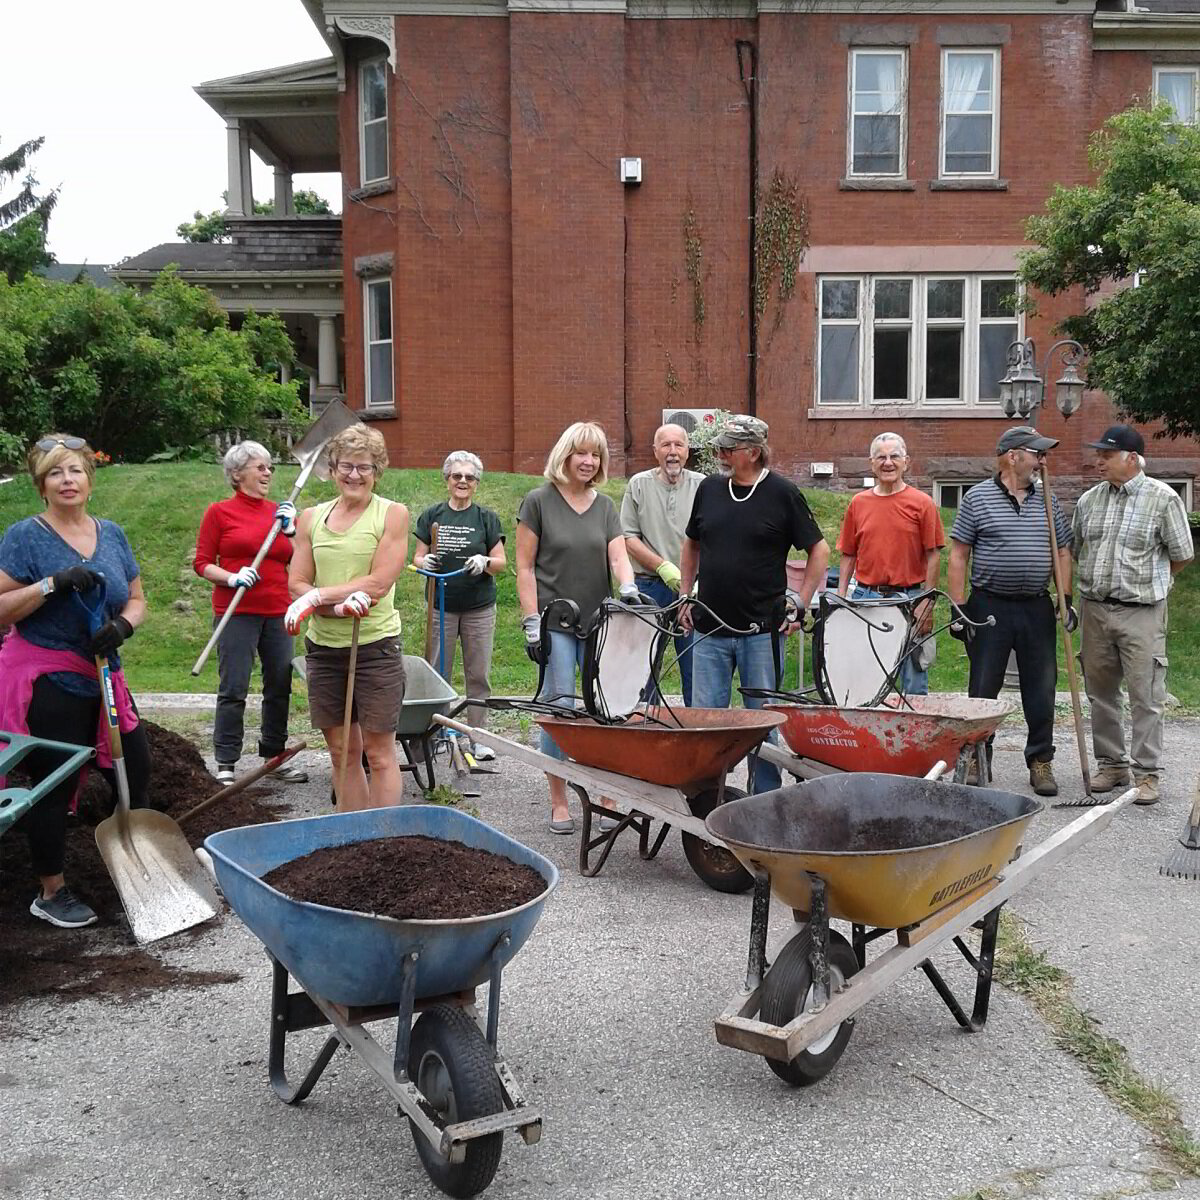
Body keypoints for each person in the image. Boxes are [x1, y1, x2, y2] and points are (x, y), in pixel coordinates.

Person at [0, 435, 150, 929]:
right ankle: (51, 890)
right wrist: (51, 585)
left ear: (89, 477)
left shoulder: (112, 533)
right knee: (54, 778)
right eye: (56, 473)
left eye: (75, 471)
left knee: (135, 767)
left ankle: (141, 866)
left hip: (103, 669)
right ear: (41, 484)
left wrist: (123, 625)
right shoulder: (26, 535)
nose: (68, 481)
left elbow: (136, 599)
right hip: (48, 670)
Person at [679, 415, 829, 794]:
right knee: (705, 723)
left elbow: (819, 549)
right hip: (709, 628)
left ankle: (763, 801)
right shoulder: (710, 489)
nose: (721, 453)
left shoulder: (782, 493)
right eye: (721, 446)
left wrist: (801, 602)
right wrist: (685, 594)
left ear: (754, 452)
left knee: (761, 723)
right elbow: (691, 544)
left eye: (729, 447)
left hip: (762, 631)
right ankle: (705, 797)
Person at [516, 421, 640, 833]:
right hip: (556, 621)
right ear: (565, 455)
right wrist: (531, 622)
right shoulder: (538, 502)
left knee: (607, 707)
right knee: (561, 705)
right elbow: (524, 567)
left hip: (598, 620)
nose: (589, 462)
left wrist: (628, 587)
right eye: (582, 453)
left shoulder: (605, 506)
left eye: (596, 455)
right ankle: (559, 800)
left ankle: (604, 794)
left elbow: (619, 557)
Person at [285, 423, 409, 811]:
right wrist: (335, 608)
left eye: (364, 467)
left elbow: (378, 582)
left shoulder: (391, 514)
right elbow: (296, 582)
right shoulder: (311, 518)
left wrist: (318, 598)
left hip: (375, 648)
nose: (354, 475)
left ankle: (385, 840)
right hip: (324, 650)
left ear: (377, 471)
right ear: (333, 468)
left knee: (379, 753)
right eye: (346, 466)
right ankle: (351, 837)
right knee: (341, 751)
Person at [947, 427, 1073, 796]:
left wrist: (1065, 597)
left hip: (1036, 606)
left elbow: (1062, 552)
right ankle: (975, 754)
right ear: (1013, 456)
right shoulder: (977, 498)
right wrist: (958, 608)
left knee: (1042, 687)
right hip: (989, 606)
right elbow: (958, 554)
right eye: (1038, 454)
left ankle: (1040, 760)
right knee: (984, 686)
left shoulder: (1048, 499)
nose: (1043, 460)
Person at [1072, 424, 1194, 806]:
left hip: (1141, 612)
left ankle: (1147, 774)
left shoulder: (1163, 499)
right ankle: (1112, 765)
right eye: (1099, 455)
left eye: (1106, 456)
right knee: (1101, 693)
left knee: (1147, 695)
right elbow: (1077, 549)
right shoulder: (1089, 501)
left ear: (1131, 458)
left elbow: (1182, 554)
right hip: (1095, 609)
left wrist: (1151, 585)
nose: (1098, 462)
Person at [193, 440, 308, 786]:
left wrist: (292, 531)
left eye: (269, 467)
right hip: (236, 610)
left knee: (279, 685)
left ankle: (274, 756)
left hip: (278, 611)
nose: (268, 472)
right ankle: (226, 761)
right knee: (234, 686)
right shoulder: (219, 512)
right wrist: (231, 576)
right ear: (237, 472)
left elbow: (299, 562)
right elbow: (202, 564)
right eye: (261, 467)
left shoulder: (279, 513)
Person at [413, 451, 507, 759]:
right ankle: (435, 732)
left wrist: (485, 561)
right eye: (457, 476)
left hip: (478, 608)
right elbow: (417, 556)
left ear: (477, 482)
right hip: (441, 606)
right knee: (438, 671)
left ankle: (477, 737)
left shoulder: (486, 518)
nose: (463, 481)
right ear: (447, 480)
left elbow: (501, 563)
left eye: (469, 477)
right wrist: (423, 560)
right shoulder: (433, 515)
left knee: (477, 674)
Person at [835, 432, 945, 694]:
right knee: (864, 676)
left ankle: (915, 731)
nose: (888, 463)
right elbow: (848, 554)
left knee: (913, 679)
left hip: (910, 599)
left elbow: (933, 555)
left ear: (906, 462)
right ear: (871, 463)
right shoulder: (858, 503)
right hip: (866, 597)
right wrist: (841, 597)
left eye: (894, 456)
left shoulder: (922, 504)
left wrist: (926, 603)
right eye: (881, 457)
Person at [620, 423, 703, 705]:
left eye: (678, 445)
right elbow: (628, 536)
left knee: (694, 661)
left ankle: (697, 729)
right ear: (655, 451)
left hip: (692, 591)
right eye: (665, 445)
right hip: (649, 585)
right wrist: (662, 567)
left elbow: (714, 536)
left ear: (687, 451)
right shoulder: (639, 485)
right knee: (645, 662)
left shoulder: (703, 486)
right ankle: (647, 726)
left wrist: (690, 584)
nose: (672, 452)